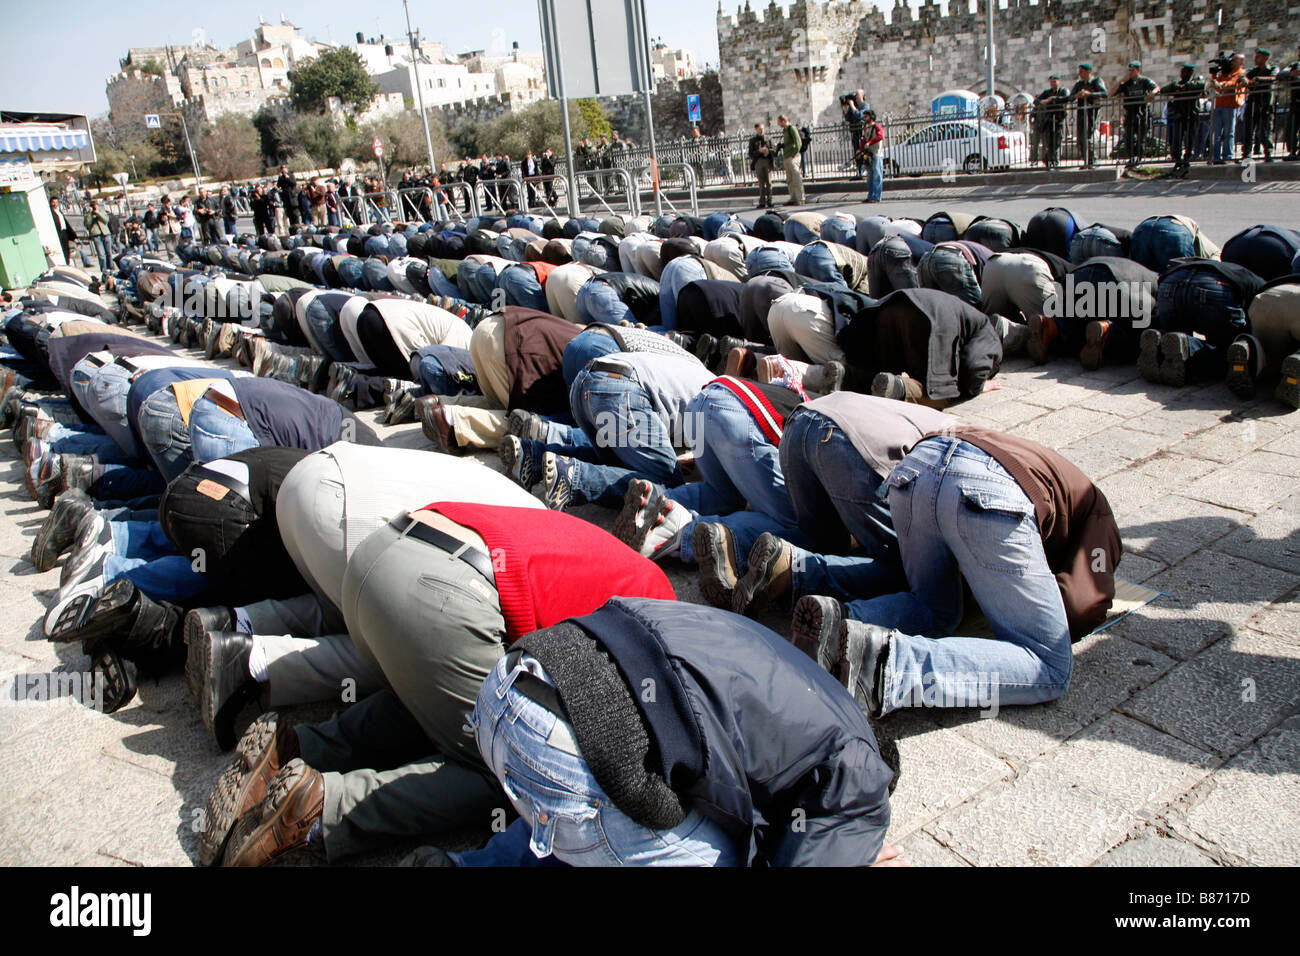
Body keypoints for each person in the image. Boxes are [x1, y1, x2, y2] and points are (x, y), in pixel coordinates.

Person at [408, 598, 897, 868]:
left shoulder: (795, 688)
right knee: (707, 852)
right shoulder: (858, 768)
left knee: (617, 808)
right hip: (564, 750)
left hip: (510, 684)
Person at [793, 426, 1121, 720]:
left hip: (918, 469)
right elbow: (1083, 604)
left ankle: (841, 624)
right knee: (1050, 666)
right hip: (987, 490)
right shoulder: (1098, 513)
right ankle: (885, 665)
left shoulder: (1057, 474)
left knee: (935, 608)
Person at [1159, 63, 1207, 174]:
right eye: (1181, 72)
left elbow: (1202, 85)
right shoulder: (1177, 84)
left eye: (1185, 72)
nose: (1182, 74)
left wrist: (1186, 86)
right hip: (1179, 116)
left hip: (1191, 115)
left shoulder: (1195, 83)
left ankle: (1187, 159)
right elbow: (1164, 90)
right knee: (1177, 140)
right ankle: (1178, 160)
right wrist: (1177, 87)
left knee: (1190, 139)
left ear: (1190, 73)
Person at [1111, 61, 1158, 167]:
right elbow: (1111, 93)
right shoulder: (1127, 83)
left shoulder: (1145, 81)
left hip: (1142, 113)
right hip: (1130, 113)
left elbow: (1156, 88)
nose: (1130, 73)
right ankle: (1131, 158)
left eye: (1132, 70)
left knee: (1141, 139)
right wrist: (1121, 81)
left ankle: (1139, 160)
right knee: (1128, 138)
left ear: (1138, 70)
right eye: (1129, 70)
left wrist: (1152, 93)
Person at [1210, 52, 1248, 163]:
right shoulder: (1226, 73)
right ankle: (1215, 156)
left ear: (1241, 62)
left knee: (1228, 132)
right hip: (1219, 104)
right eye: (1232, 60)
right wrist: (1214, 75)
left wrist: (1221, 84)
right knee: (1216, 133)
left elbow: (1233, 84)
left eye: (1235, 60)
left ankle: (1227, 155)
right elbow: (1216, 86)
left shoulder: (1241, 73)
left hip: (1231, 105)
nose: (1232, 62)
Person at [1243, 48, 1278, 162]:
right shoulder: (1254, 70)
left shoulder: (1273, 68)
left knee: (1265, 129)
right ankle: (1247, 153)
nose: (1255, 59)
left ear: (1266, 58)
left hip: (1265, 103)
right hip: (1253, 102)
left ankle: (1268, 152)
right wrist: (1246, 80)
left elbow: (1274, 78)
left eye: (1258, 57)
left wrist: (1259, 79)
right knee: (1249, 130)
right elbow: (1243, 77)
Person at [1070, 63, 1107, 167]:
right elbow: (1070, 97)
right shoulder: (1079, 84)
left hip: (1092, 111)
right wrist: (1077, 95)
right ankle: (1086, 159)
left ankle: (1092, 160)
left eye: (1082, 71)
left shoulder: (1096, 81)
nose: (1079, 74)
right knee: (1081, 137)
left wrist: (1089, 94)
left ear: (1088, 72)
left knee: (1088, 135)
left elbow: (1104, 94)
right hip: (1081, 111)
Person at [1034, 74, 1071, 169]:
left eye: (1054, 81)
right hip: (1049, 119)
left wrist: (1053, 99)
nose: (1052, 83)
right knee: (1049, 141)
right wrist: (1045, 101)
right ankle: (1049, 160)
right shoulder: (1047, 92)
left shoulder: (1063, 91)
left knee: (1057, 140)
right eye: (1051, 82)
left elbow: (1067, 99)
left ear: (1059, 81)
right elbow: (1037, 101)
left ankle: (1055, 161)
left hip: (1059, 119)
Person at [777, 115, 805, 205]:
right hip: (787, 156)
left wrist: (793, 154)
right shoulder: (785, 130)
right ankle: (793, 198)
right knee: (790, 179)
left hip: (793, 157)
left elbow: (798, 143)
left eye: (779, 122)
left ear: (783, 121)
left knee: (796, 178)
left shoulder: (791, 129)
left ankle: (800, 198)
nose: (778, 124)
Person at [861, 109, 885, 202]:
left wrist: (870, 143)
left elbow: (880, 136)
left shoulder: (877, 127)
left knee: (877, 175)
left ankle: (876, 196)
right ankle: (870, 196)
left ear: (871, 117)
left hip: (876, 154)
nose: (864, 118)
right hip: (869, 155)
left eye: (866, 116)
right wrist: (860, 150)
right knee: (870, 176)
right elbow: (864, 141)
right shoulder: (866, 129)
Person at [748, 123, 774, 208]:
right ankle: (762, 201)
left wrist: (768, 151)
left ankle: (770, 200)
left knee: (769, 182)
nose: (761, 130)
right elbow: (750, 153)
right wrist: (759, 151)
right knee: (761, 183)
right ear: (756, 129)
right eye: (759, 129)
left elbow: (774, 149)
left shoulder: (768, 138)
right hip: (758, 161)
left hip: (767, 161)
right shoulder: (753, 140)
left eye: (762, 128)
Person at [1282, 44, 1300, 160]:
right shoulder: (1294, 65)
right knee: (1291, 128)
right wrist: (1291, 74)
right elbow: (1281, 74)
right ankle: (1292, 151)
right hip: (1295, 101)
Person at [85, 201, 112, 273]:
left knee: (109, 253)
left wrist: (98, 213)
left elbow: (106, 220)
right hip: (96, 235)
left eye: (95, 205)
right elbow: (88, 223)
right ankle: (104, 270)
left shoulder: (102, 211)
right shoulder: (88, 214)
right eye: (93, 205)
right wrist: (90, 214)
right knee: (101, 255)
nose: (94, 207)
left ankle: (110, 268)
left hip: (105, 233)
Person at [49, 198, 77, 264]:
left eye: (56, 202)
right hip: (59, 233)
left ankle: (67, 262)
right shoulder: (51, 212)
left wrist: (73, 235)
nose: (55, 204)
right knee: (62, 250)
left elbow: (66, 223)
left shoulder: (59, 211)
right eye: (53, 202)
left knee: (67, 250)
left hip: (64, 233)